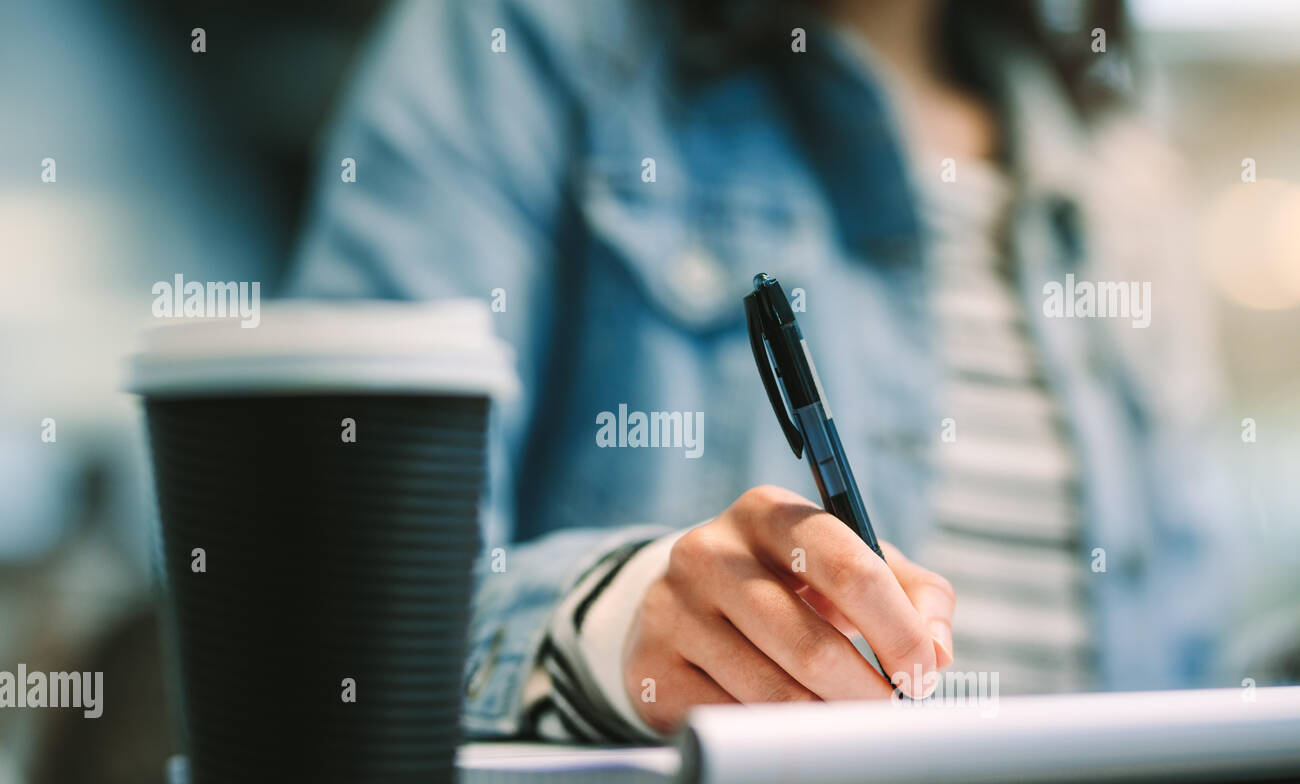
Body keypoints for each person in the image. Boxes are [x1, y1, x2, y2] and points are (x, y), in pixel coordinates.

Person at [287, 0, 1235, 741]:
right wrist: (612, 625)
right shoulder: (517, 48)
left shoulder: (1118, 166)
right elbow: (324, 591)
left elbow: (1199, 661)